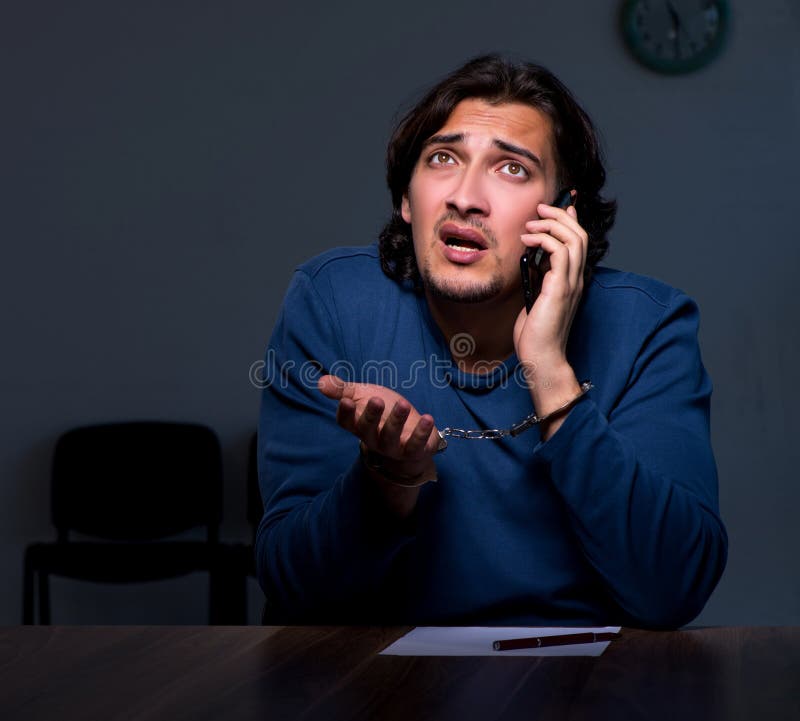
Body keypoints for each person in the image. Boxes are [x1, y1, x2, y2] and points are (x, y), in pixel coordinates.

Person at [255, 54, 727, 628]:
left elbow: (674, 589)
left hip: (586, 683)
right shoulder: (333, 301)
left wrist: (550, 371)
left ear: (561, 215)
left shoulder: (647, 325)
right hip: (379, 685)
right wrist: (386, 479)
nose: (465, 196)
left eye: (512, 169)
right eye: (443, 159)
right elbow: (291, 590)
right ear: (407, 199)